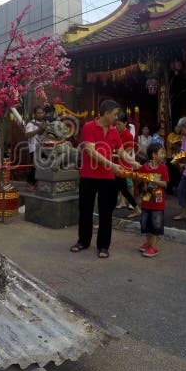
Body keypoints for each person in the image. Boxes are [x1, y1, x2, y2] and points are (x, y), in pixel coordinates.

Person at [71, 99, 138, 259]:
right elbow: (91, 152)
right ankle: (83, 241)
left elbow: (121, 152)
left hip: (107, 178)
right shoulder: (88, 127)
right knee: (85, 210)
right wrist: (112, 166)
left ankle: (103, 246)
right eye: (115, 114)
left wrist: (133, 162)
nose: (117, 117)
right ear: (106, 113)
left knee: (106, 212)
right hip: (88, 176)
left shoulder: (114, 131)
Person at [137, 142, 169, 258]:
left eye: (163, 153)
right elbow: (139, 178)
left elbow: (164, 184)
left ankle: (153, 247)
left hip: (158, 201)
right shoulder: (144, 167)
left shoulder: (163, 168)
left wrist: (153, 180)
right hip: (146, 199)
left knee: (156, 225)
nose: (164, 155)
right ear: (153, 155)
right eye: (161, 153)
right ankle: (149, 243)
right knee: (145, 224)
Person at [114, 111, 139, 212]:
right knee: (122, 187)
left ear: (125, 123)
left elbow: (127, 154)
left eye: (119, 124)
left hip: (125, 164)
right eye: (116, 124)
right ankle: (123, 202)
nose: (117, 126)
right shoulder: (115, 133)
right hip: (115, 164)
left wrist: (112, 153)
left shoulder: (128, 135)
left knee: (128, 185)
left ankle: (133, 204)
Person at [24, 105, 46, 191]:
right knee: (35, 167)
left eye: (42, 113)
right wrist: (38, 130)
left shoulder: (45, 123)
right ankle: (29, 184)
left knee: (42, 166)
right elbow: (27, 135)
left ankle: (37, 184)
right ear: (35, 114)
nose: (40, 114)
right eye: (38, 113)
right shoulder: (30, 124)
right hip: (34, 148)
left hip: (44, 148)